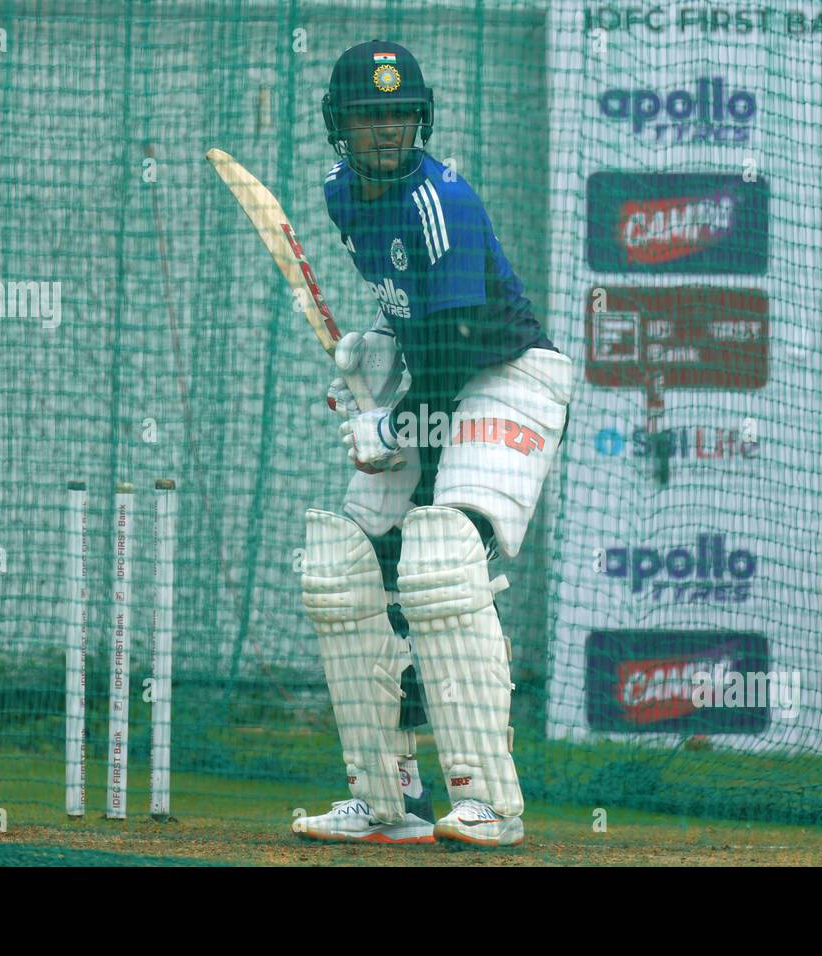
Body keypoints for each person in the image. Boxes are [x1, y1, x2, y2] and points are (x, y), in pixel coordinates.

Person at [291, 39, 573, 849]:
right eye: (369, 115)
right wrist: (373, 356)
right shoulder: (342, 194)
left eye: (399, 113)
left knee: (441, 559)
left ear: (420, 118)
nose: (386, 129)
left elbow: (454, 352)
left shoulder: (439, 201)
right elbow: (413, 312)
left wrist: (391, 424)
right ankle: (388, 799)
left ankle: (491, 805)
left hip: (509, 373)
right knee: (346, 566)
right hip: (438, 367)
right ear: (340, 125)